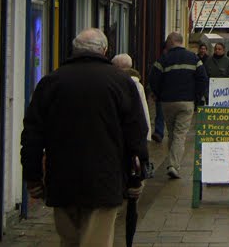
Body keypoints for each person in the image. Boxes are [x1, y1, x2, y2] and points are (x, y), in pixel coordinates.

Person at [21, 29, 148, 246]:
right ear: (105, 50)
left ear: (74, 50)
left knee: (68, 240)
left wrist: (33, 177)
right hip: (105, 180)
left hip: (62, 179)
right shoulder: (121, 83)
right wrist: (137, 175)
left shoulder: (51, 82)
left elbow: (32, 134)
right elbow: (136, 134)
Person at [149, 32, 208, 179]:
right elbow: (203, 79)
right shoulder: (194, 58)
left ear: (171, 42)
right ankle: (173, 165)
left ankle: (172, 163)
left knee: (171, 133)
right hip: (186, 101)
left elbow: (153, 77)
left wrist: (158, 94)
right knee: (180, 135)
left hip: (167, 102)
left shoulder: (164, 59)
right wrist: (196, 96)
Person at [112, 53, 152, 142]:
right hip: (133, 129)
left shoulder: (113, 82)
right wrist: (146, 133)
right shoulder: (138, 84)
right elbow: (143, 108)